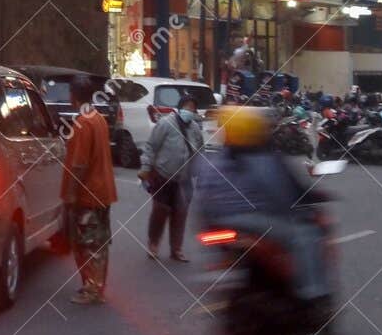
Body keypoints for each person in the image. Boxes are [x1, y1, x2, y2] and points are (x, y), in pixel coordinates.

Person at [197, 105, 331, 300]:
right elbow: (282, 195)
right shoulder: (264, 159)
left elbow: (202, 201)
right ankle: (315, 293)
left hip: (219, 224)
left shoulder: (212, 160)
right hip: (257, 223)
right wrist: (303, 211)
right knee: (305, 236)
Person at [59, 73, 117, 305]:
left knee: (86, 243)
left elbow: (79, 163)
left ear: (73, 97)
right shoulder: (98, 119)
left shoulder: (82, 124)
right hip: (103, 191)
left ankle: (91, 288)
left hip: (87, 194)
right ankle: (97, 287)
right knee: (100, 242)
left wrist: (71, 193)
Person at [140, 97, 203, 262]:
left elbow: (200, 151)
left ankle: (176, 249)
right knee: (159, 213)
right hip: (163, 176)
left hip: (184, 179)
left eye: (192, 109)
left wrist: (200, 173)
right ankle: (153, 245)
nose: (189, 111)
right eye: (187, 108)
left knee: (180, 214)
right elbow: (151, 147)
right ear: (180, 108)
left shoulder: (195, 128)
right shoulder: (166, 124)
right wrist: (146, 168)